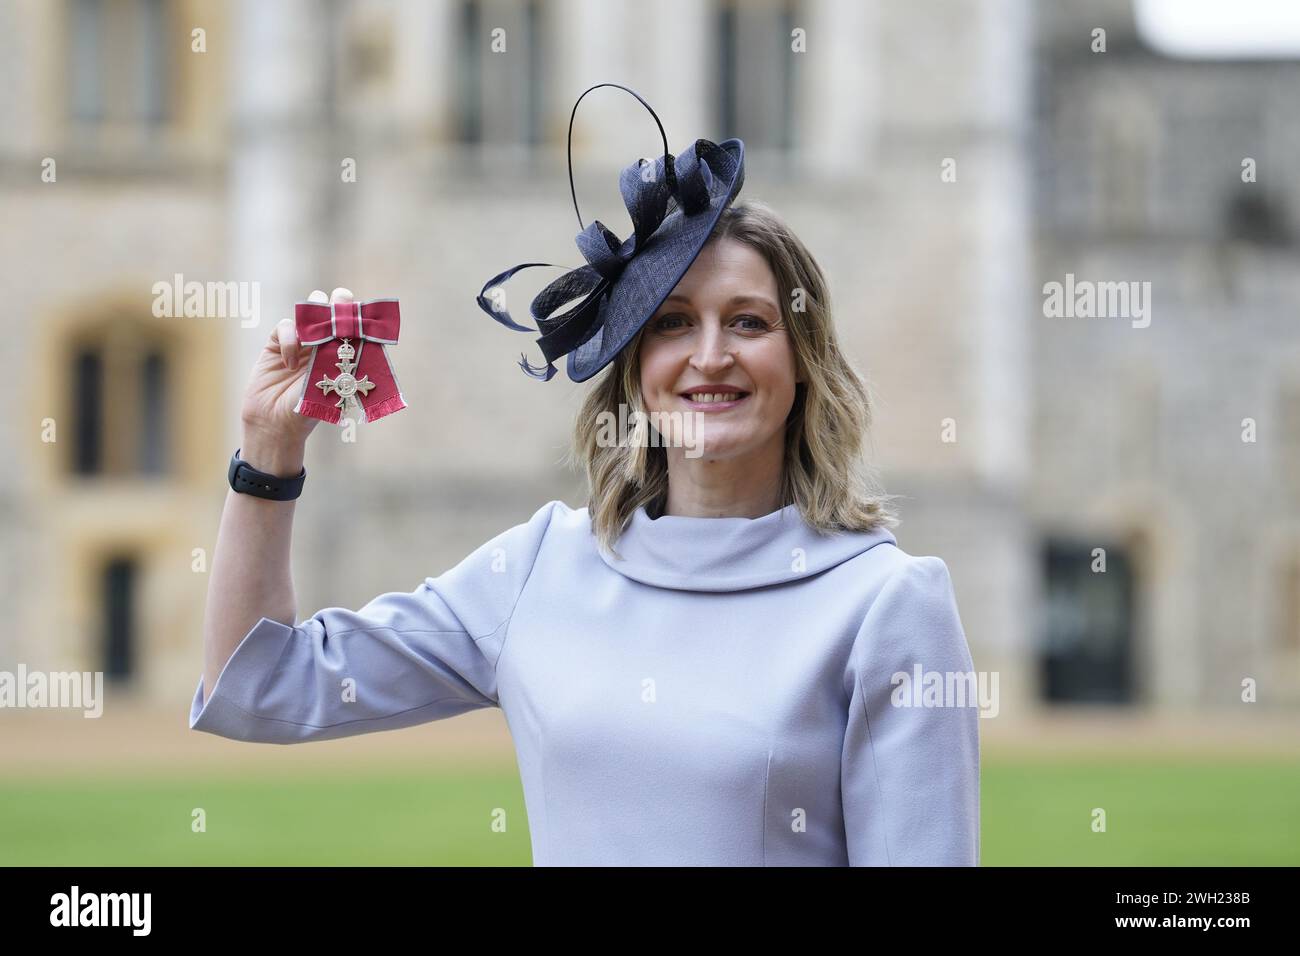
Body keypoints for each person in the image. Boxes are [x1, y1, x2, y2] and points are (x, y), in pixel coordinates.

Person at [191, 85, 980, 866]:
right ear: (633, 369)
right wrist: (270, 450)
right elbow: (257, 688)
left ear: (803, 361)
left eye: (749, 321)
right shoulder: (536, 571)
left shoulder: (885, 606)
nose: (710, 355)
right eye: (672, 323)